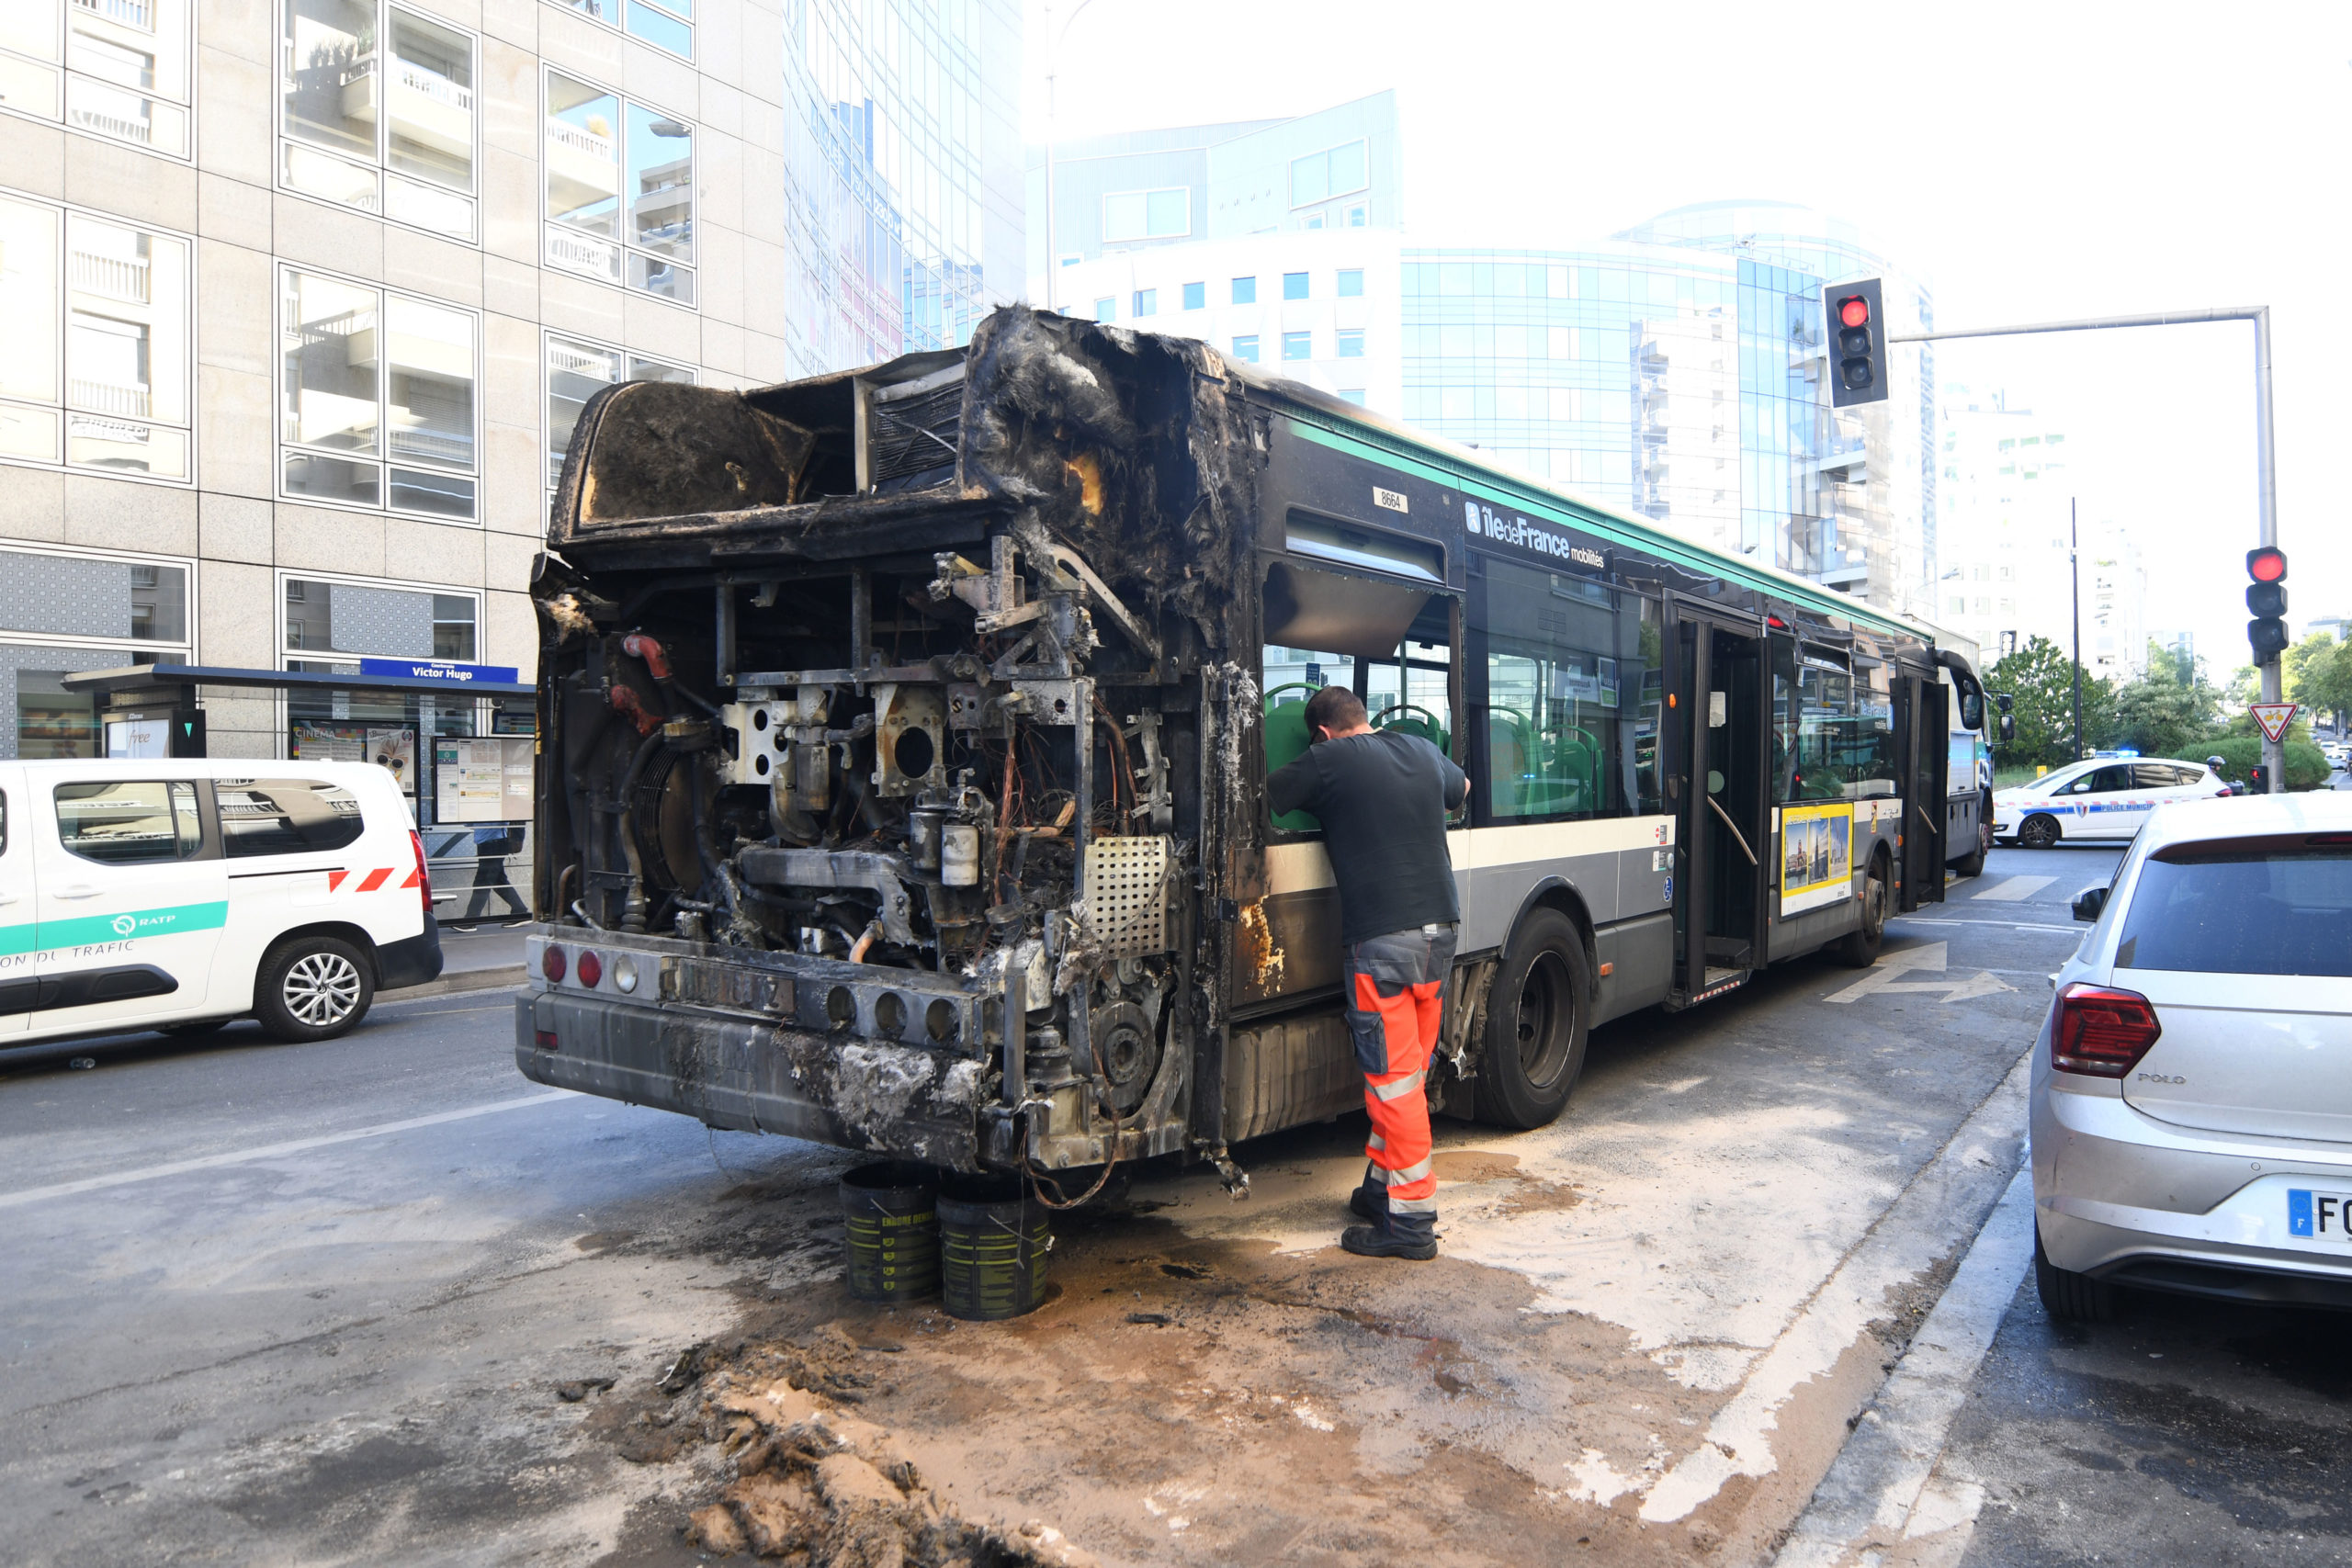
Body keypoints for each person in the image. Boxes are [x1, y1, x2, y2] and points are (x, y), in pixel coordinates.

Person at [1266, 683, 1467, 1260]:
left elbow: (1267, 794)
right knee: (1408, 1074)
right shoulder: (1421, 750)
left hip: (1381, 942)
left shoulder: (1328, 759)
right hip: (1440, 935)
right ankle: (1383, 1189)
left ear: (1324, 732)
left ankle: (1411, 1223)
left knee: (1391, 1081)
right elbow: (1463, 790)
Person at [451, 824, 530, 929]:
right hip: (486, 844)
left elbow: (506, 819)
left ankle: (470, 920)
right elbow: (468, 822)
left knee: (482, 882)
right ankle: (520, 911)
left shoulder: (493, 807)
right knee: (499, 881)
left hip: (495, 844)